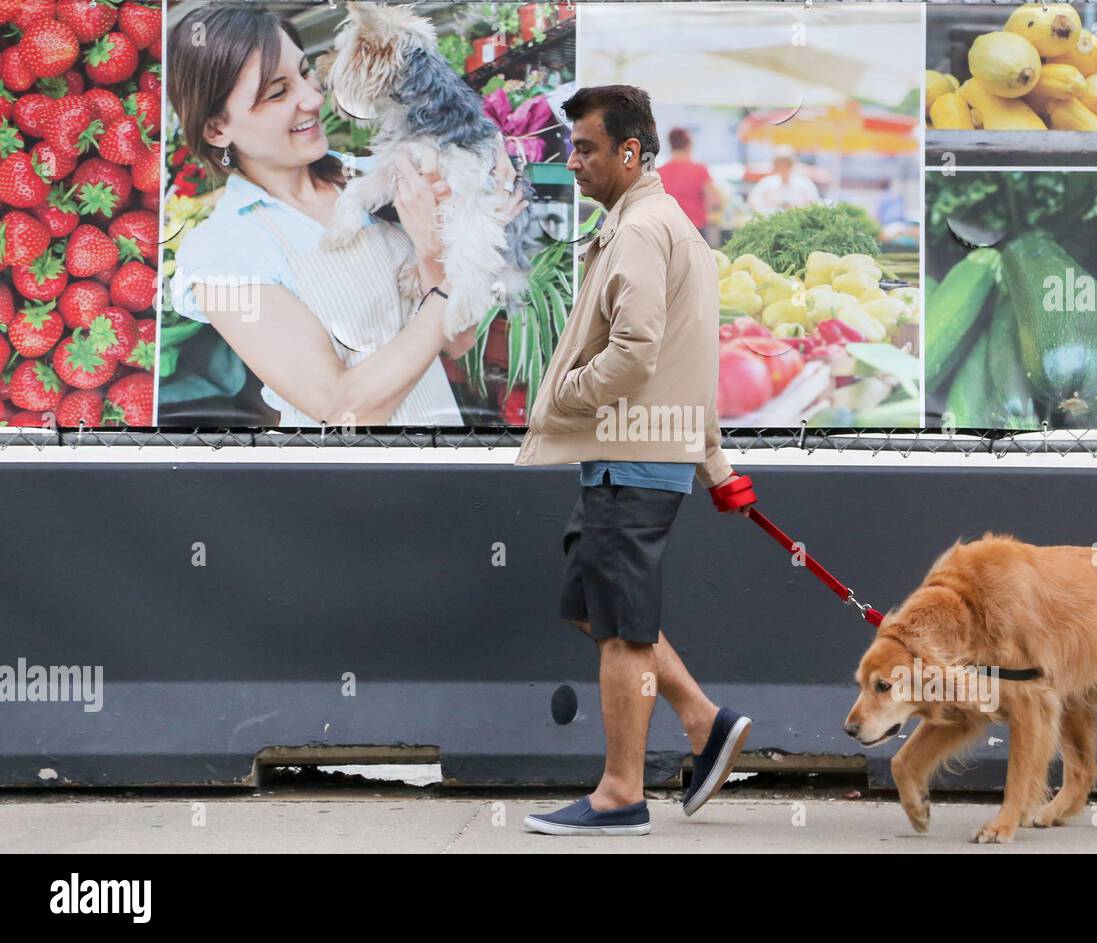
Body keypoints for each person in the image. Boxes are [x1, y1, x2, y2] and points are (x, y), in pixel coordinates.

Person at [514, 85, 757, 836]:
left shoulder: (641, 230)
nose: (572, 160)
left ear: (629, 152)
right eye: (570, 145)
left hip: (633, 458)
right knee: (594, 606)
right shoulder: (658, 223)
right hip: (637, 455)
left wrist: (564, 395)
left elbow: (640, 350)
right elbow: (694, 362)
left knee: (623, 628)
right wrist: (716, 467)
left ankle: (622, 793)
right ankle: (702, 720)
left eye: (586, 147)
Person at [166, 7, 524, 426]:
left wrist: (436, 253)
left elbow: (459, 342)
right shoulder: (221, 253)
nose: (314, 98)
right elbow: (340, 407)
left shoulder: (383, 178)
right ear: (216, 129)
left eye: (304, 73)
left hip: (441, 450)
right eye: (278, 92)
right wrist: (450, 280)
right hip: (346, 479)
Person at [656, 127, 721, 242]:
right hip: (695, 231)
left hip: (668, 232)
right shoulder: (700, 170)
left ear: (671, 145)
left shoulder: (658, 173)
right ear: (689, 145)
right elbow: (715, 202)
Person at [747, 145, 820, 215]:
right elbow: (753, 202)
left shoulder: (804, 184)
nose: (783, 168)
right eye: (780, 165)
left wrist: (796, 208)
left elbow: (814, 203)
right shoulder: (766, 183)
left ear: (791, 165)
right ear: (775, 166)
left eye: (786, 165)